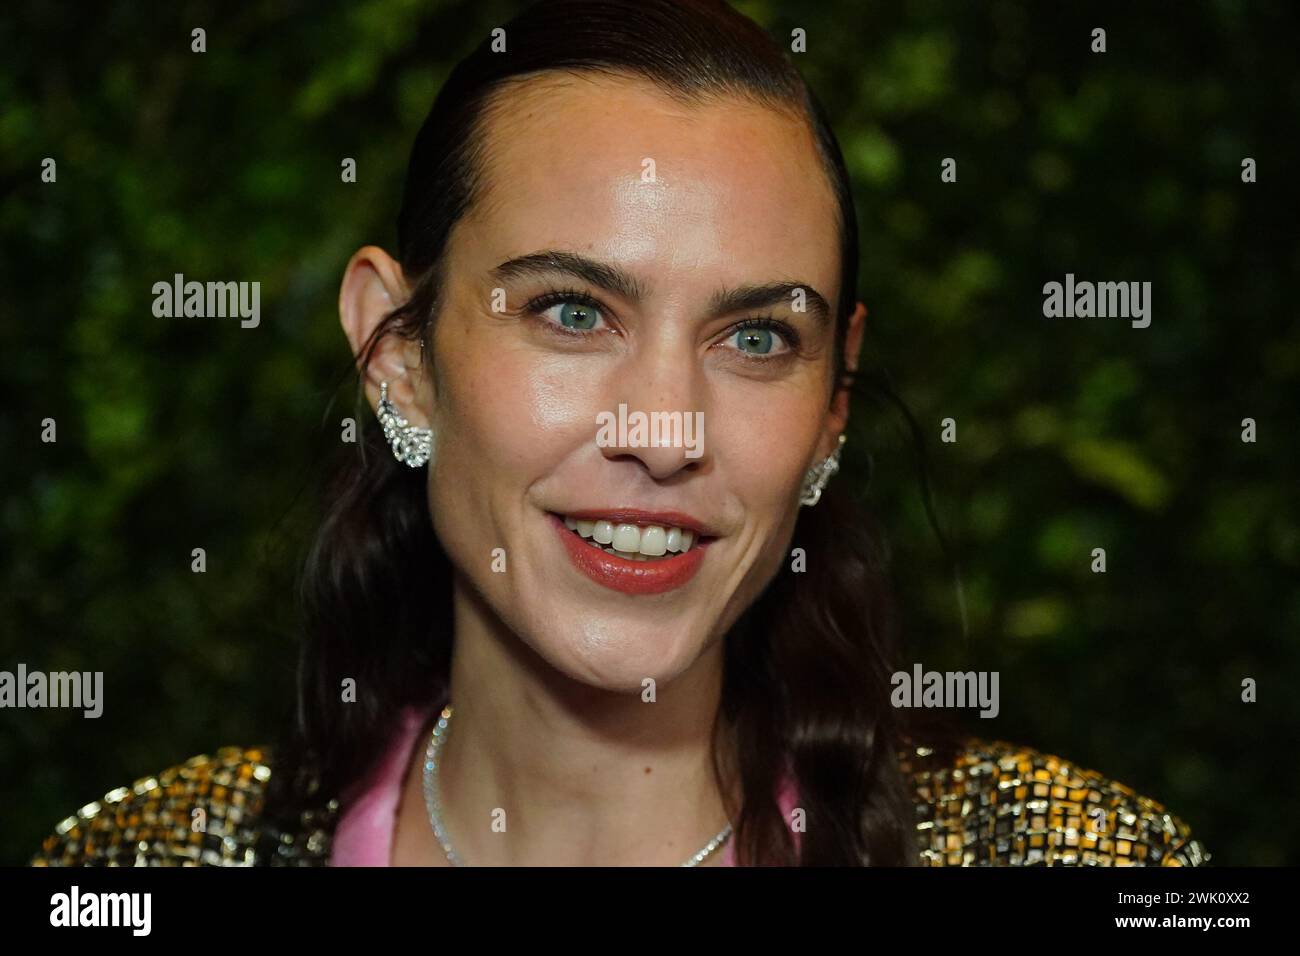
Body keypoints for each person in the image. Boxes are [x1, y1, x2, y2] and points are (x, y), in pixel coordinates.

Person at [32, 0, 1208, 868]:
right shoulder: (134, 869)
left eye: (754, 338)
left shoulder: (1090, 861)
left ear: (834, 402)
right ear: (400, 357)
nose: (664, 431)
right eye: (571, 311)